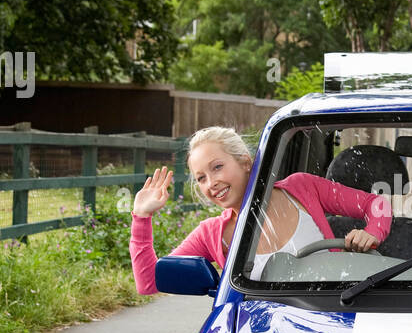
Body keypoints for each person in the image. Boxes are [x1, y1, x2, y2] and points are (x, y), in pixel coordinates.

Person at [129, 125, 392, 294]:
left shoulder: (302, 187)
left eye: (217, 167)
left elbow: (376, 204)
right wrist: (142, 217)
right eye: (201, 178)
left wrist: (373, 232)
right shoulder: (210, 233)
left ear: (245, 162)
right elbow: (150, 282)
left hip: (329, 312)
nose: (212, 183)